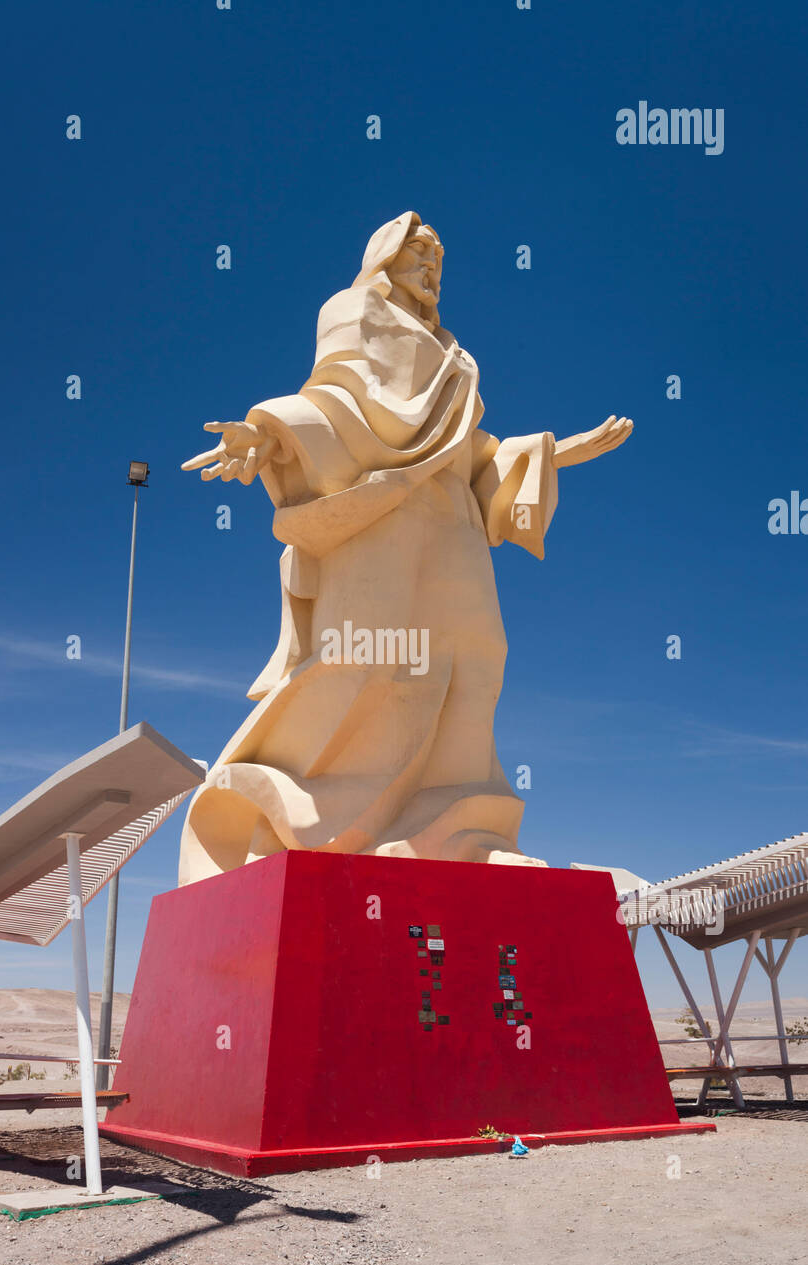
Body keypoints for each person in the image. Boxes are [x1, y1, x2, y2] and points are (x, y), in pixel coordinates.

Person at [178, 212, 632, 883]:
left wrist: (555, 454)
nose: (431, 270)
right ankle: (302, 819)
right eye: (420, 254)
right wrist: (269, 434)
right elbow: (333, 398)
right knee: (368, 663)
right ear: (386, 255)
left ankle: (466, 830)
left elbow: (474, 455)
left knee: (479, 656)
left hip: (453, 522)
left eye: (439, 261)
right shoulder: (352, 310)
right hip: (381, 516)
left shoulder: (454, 355)